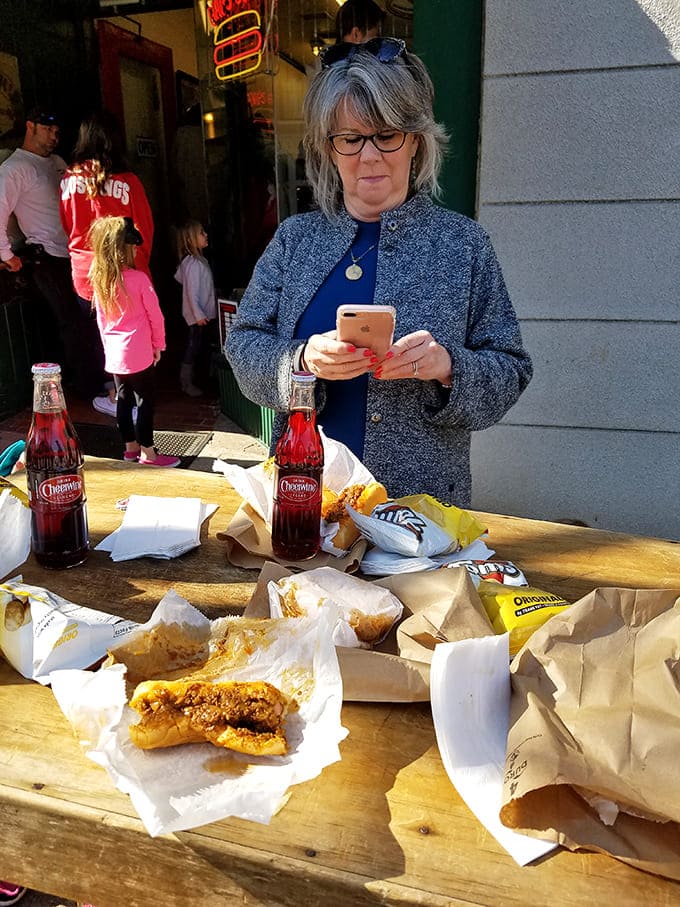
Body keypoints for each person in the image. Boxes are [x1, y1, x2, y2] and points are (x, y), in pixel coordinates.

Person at [226, 39, 533, 506]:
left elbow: (510, 369)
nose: (369, 156)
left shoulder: (463, 245)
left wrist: (447, 366)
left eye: (387, 134)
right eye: (349, 139)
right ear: (329, 151)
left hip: (420, 513)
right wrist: (302, 361)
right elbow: (244, 346)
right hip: (307, 500)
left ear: (416, 141)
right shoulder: (295, 240)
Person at [0, 106, 113, 414]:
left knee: (91, 318)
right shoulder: (15, 168)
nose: (53, 136)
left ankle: (102, 378)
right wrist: (6, 254)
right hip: (45, 255)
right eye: (47, 129)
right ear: (30, 127)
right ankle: (87, 386)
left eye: (57, 132)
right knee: (70, 322)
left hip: (77, 252)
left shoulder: (59, 163)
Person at [60, 109, 155, 417]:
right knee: (128, 333)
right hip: (124, 272)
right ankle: (132, 397)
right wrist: (140, 272)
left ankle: (114, 394)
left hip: (85, 273)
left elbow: (68, 224)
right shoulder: (129, 182)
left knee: (101, 337)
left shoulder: (68, 179)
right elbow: (144, 229)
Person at [88, 215, 180, 467]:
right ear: (125, 249)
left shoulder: (100, 282)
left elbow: (101, 322)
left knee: (123, 400)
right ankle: (148, 454)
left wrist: (108, 349)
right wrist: (159, 345)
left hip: (115, 354)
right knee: (145, 401)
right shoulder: (139, 279)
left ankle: (130, 448)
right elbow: (156, 316)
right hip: (139, 351)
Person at [174, 219, 217, 397]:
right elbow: (191, 293)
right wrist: (198, 314)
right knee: (193, 348)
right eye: (201, 233)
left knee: (200, 347)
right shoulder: (192, 264)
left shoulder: (199, 261)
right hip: (198, 318)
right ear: (191, 240)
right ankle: (186, 382)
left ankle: (200, 379)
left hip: (203, 315)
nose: (205, 235)